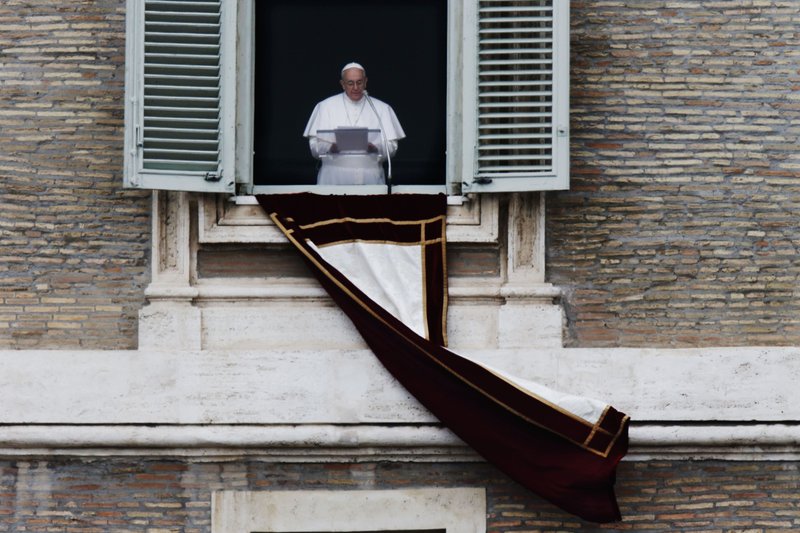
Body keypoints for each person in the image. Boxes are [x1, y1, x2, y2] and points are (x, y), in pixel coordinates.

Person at [303, 62, 405, 185]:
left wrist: (375, 148)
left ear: (366, 81)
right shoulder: (325, 107)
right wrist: (331, 148)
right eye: (350, 83)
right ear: (342, 84)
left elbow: (392, 148)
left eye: (359, 82)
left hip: (370, 179)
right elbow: (314, 147)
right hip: (333, 179)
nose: (355, 87)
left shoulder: (381, 108)